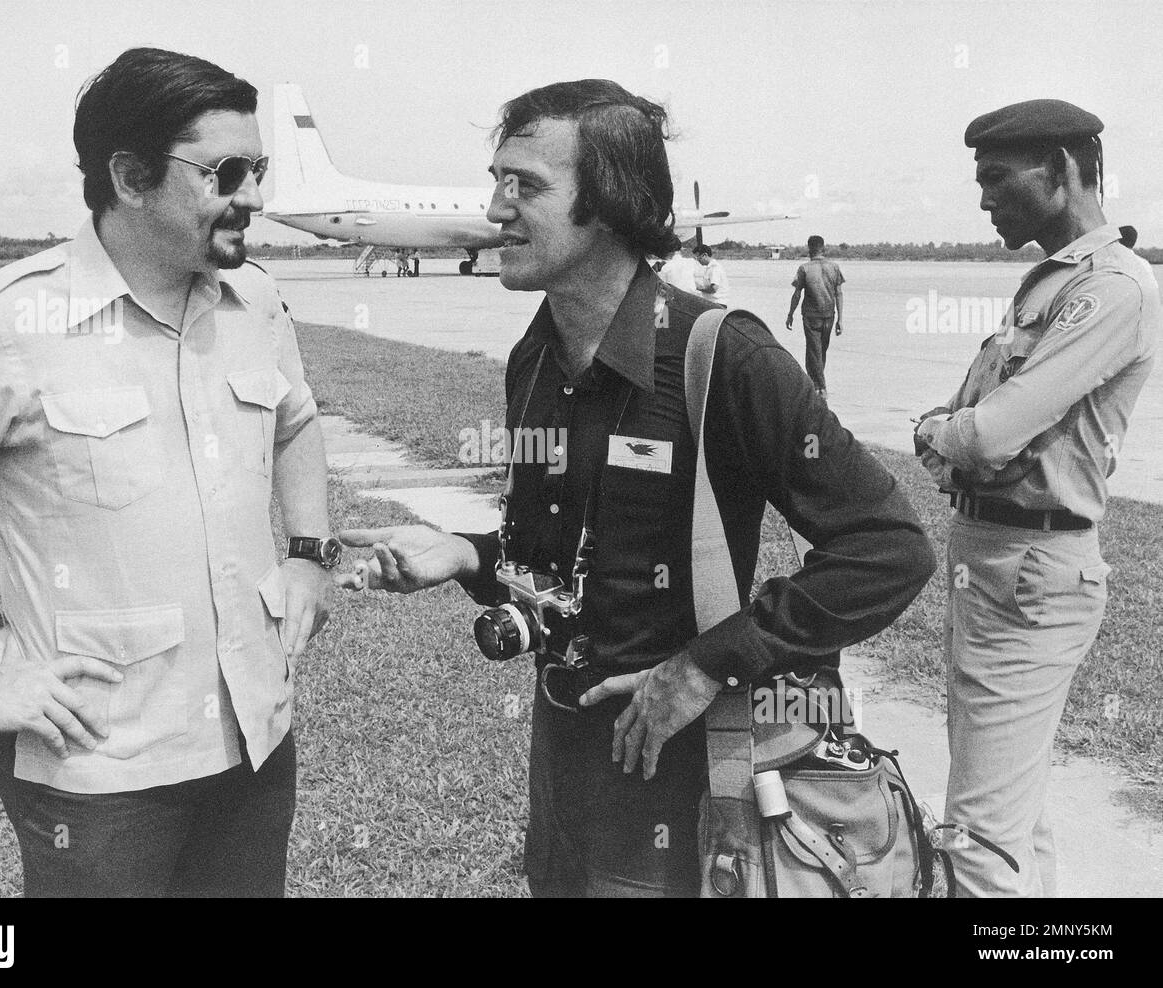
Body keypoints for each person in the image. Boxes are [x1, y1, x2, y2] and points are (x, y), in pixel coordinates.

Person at [336, 79, 935, 897]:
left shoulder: (722, 356)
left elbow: (889, 549)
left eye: (527, 186)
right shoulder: (537, 358)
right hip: (564, 769)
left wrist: (703, 667)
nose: (496, 208)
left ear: (611, 204)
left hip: (686, 788)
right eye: (497, 180)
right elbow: (562, 562)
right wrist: (466, 556)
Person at [0, 48, 339, 897]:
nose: (256, 197)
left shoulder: (254, 301)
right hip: (99, 770)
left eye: (258, 168)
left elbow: (297, 421)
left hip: (254, 738)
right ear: (129, 176)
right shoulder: (10, 323)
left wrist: (307, 550)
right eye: (227, 172)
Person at [914, 99, 1159, 897]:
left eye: (995, 179)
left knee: (977, 844)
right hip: (992, 558)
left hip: (1032, 570)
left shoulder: (1114, 288)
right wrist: (957, 428)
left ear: (1058, 170)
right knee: (1015, 824)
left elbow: (988, 436)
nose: (984, 199)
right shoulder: (1053, 281)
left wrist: (935, 429)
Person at [785, 235, 844, 399]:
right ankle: (815, 383)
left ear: (809, 248)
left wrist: (790, 314)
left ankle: (820, 387)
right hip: (829, 316)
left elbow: (797, 294)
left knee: (814, 351)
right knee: (820, 351)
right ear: (823, 248)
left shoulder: (804, 268)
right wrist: (840, 319)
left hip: (811, 316)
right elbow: (839, 294)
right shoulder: (834, 267)